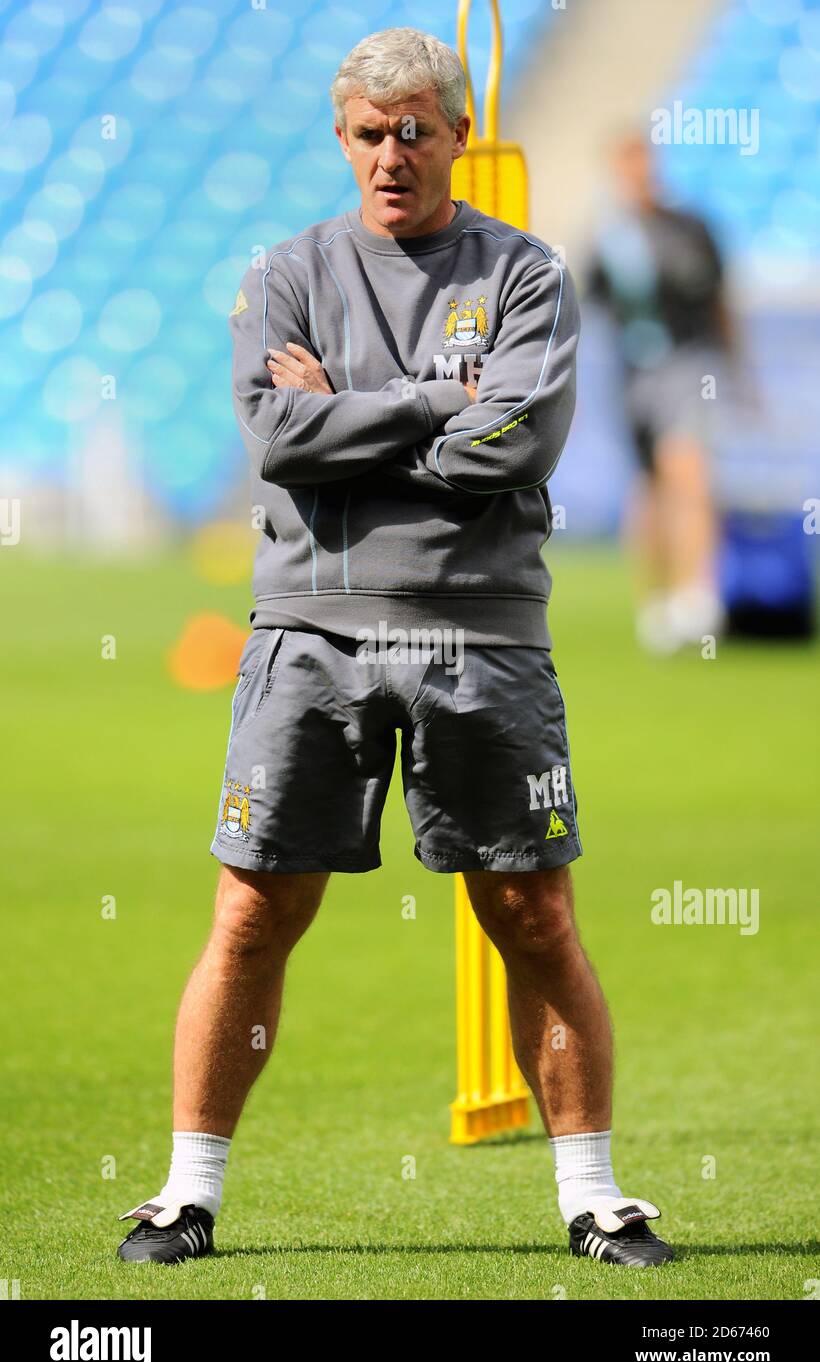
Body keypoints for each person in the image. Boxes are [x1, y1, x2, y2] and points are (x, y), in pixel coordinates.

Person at [117, 29, 672, 1269]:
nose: (392, 155)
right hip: (307, 633)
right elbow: (276, 434)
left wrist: (351, 418)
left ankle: (593, 1198)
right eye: (369, 133)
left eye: (415, 129)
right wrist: (434, 401)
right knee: (253, 910)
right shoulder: (288, 272)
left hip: (483, 634)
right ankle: (184, 1193)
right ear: (341, 140)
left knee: (532, 910)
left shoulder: (524, 272)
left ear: (457, 133)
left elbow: (514, 448)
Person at [585, 133, 734, 653]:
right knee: (648, 485)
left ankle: (700, 593)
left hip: (692, 363)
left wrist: (739, 371)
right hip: (634, 373)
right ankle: (658, 603)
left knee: (687, 464)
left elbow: (722, 302)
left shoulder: (691, 228)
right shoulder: (608, 241)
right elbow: (592, 310)